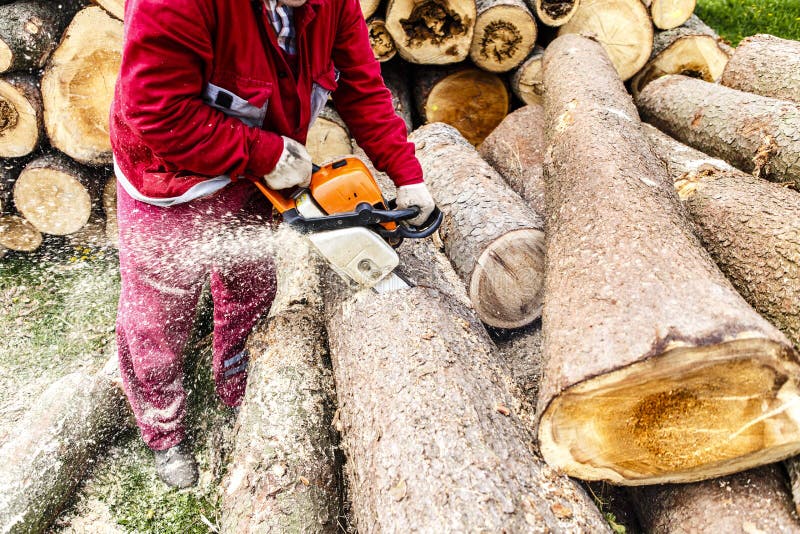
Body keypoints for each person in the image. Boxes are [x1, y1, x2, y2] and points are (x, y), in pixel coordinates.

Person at [110, 0, 436, 488]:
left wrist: (406, 174)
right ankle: (164, 427)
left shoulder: (332, 6)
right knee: (158, 313)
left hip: (260, 172)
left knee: (252, 283)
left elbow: (363, 89)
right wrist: (261, 151)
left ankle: (237, 380)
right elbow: (156, 109)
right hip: (170, 175)